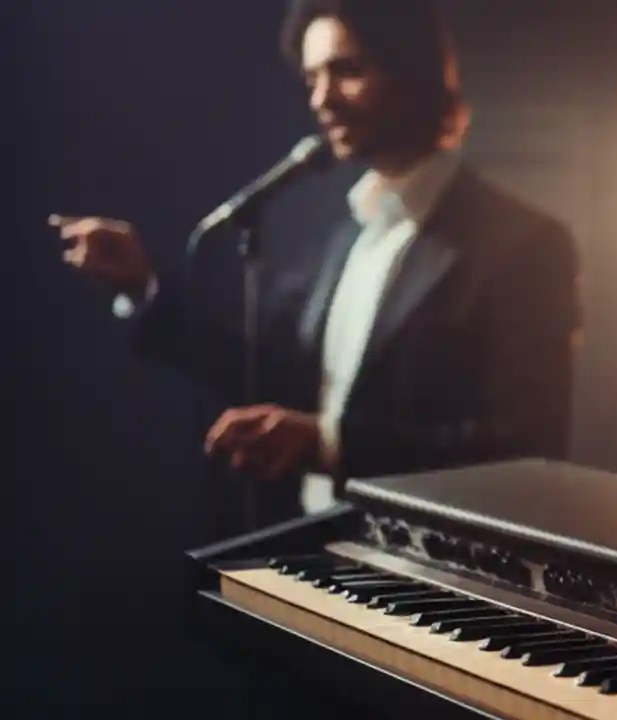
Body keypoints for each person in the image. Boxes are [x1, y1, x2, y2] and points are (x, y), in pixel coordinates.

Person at [50, 0, 582, 530]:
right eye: (311, 79)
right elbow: (273, 371)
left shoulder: (523, 244)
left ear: (413, 71)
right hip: (326, 545)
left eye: (347, 70)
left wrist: (328, 444)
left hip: (433, 566)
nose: (322, 99)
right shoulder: (353, 233)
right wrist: (143, 286)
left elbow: (525, 448)